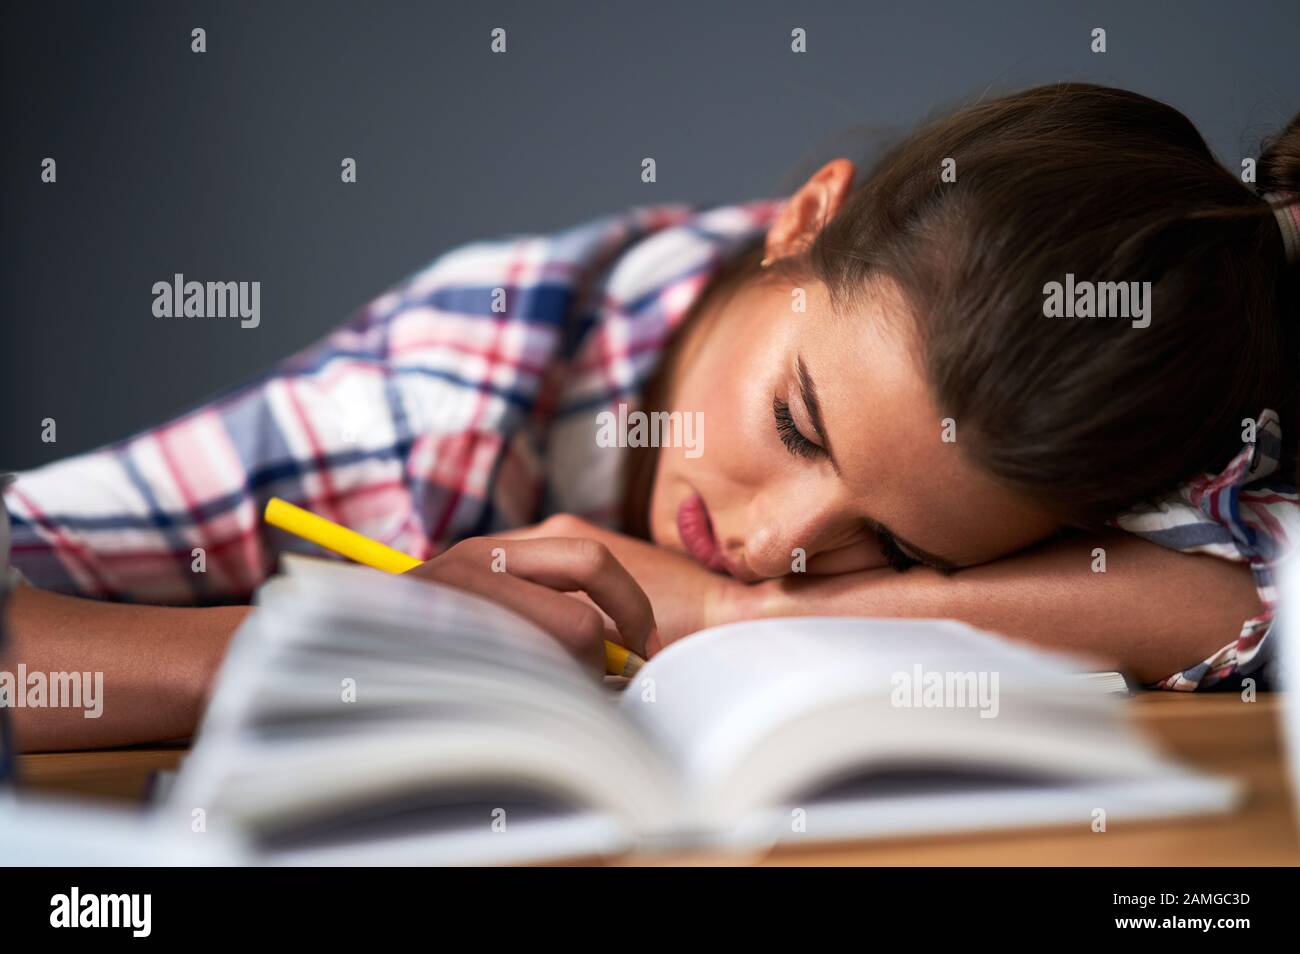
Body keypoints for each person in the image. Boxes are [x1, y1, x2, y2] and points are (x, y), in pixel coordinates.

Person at [4, 83, 1297, 751]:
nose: (782, 541)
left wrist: (736, 620)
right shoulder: (445, 403)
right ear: (807, 220)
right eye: (799, 426)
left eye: (902, 550)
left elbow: (1244, 590)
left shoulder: (1062, 415)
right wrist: (351, 647)